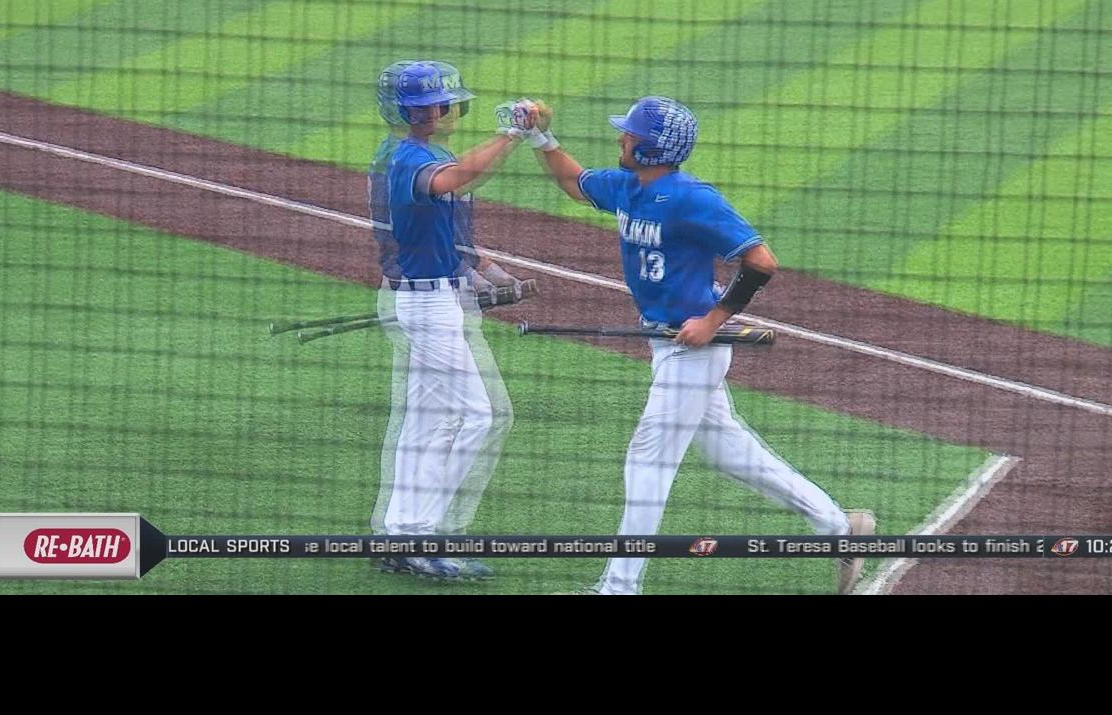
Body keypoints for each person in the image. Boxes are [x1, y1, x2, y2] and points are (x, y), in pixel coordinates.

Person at [505, 95, 874, 595]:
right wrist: (539, 137)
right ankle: (839, 529)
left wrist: (712, 319)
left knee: (647, 457)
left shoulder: (692, 198)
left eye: (630, 135)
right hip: (665, 341)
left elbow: (762, 261)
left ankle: (618, 587)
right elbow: (575, 183)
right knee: (729, 452)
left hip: (693, 348)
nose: (621, 139)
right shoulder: (629, 187)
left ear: (653, 150)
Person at [365, 60, 520, 581]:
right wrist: (511, 135)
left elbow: (441, 235)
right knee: (476, 415)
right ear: (410, 109)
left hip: (430, 295)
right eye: (436, 102)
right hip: (424, 305)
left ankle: (398, 534)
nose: (446, 109)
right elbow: (457, 180)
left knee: (425, 422)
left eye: (446, 101)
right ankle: (420, 536)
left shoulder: (416, 152)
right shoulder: (410, 159)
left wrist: (481, 273)